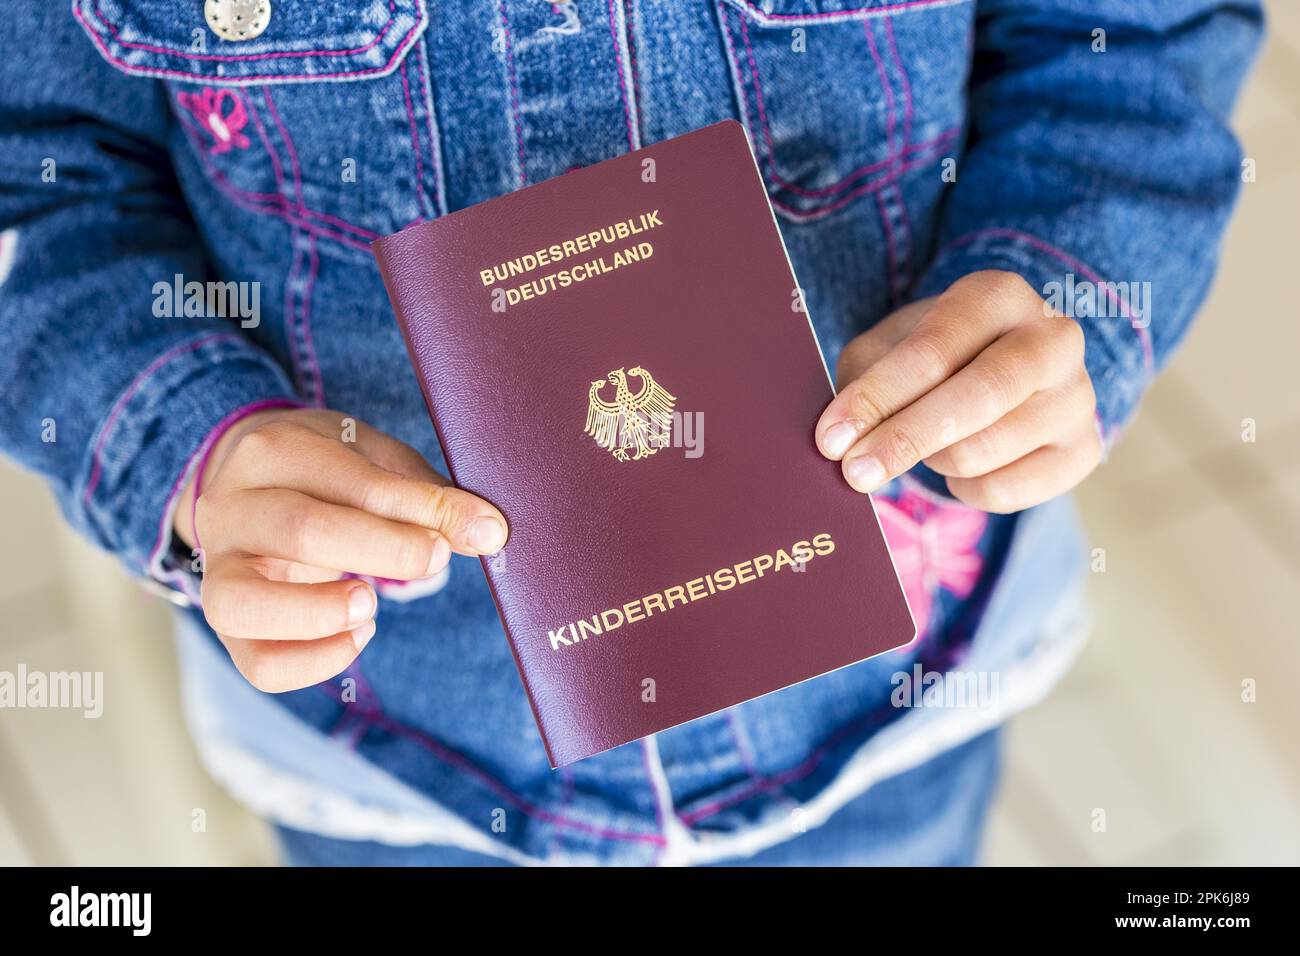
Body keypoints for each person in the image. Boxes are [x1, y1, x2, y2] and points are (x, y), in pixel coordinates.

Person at [0, 0, 1261, 866]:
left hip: (887, 698)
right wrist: (188, 446)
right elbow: (44, 187)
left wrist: (1066, 290)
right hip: (405, 755)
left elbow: (1126, 49)